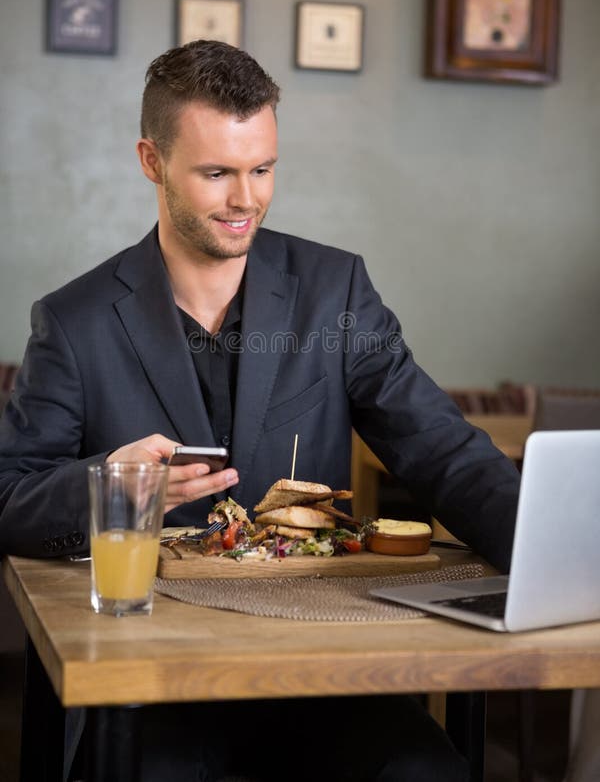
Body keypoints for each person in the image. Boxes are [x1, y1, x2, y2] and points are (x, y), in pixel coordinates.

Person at [0, 39, 520, 781]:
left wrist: (543, 549)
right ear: (152, 161)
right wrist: (110, 483)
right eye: (217, 173)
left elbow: (437, 445)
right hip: (154, 684)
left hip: (321, 671)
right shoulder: (74, 321)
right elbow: (9, 497)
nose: (246, 199)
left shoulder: (334, 289)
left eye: (263, 169)